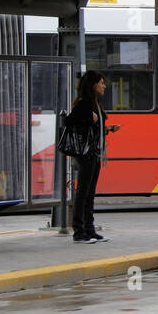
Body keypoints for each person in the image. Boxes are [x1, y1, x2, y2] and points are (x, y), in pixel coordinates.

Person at [66, 70, 120, 244]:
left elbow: (93, 127)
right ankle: (79, 231)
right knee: (83, 192)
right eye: (101, 83)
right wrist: (90, 119)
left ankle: (90, 229)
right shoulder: (84, 104)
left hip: (95, 152)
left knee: (90, 193)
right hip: (86, 153)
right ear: (93, 85)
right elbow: (70, 121)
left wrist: (107, 128)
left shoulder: (95, 103)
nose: (104, 86)